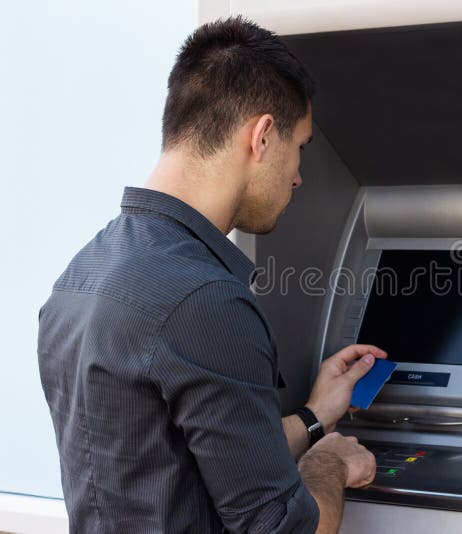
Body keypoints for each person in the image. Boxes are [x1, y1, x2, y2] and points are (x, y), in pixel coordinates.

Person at [37, 16, 385, 533]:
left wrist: (314, 418)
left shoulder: (81, 275)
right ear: (263, 136)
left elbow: (186, 468)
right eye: (300, 148)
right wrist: (329, 463)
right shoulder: (204, 300)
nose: (297, 176)